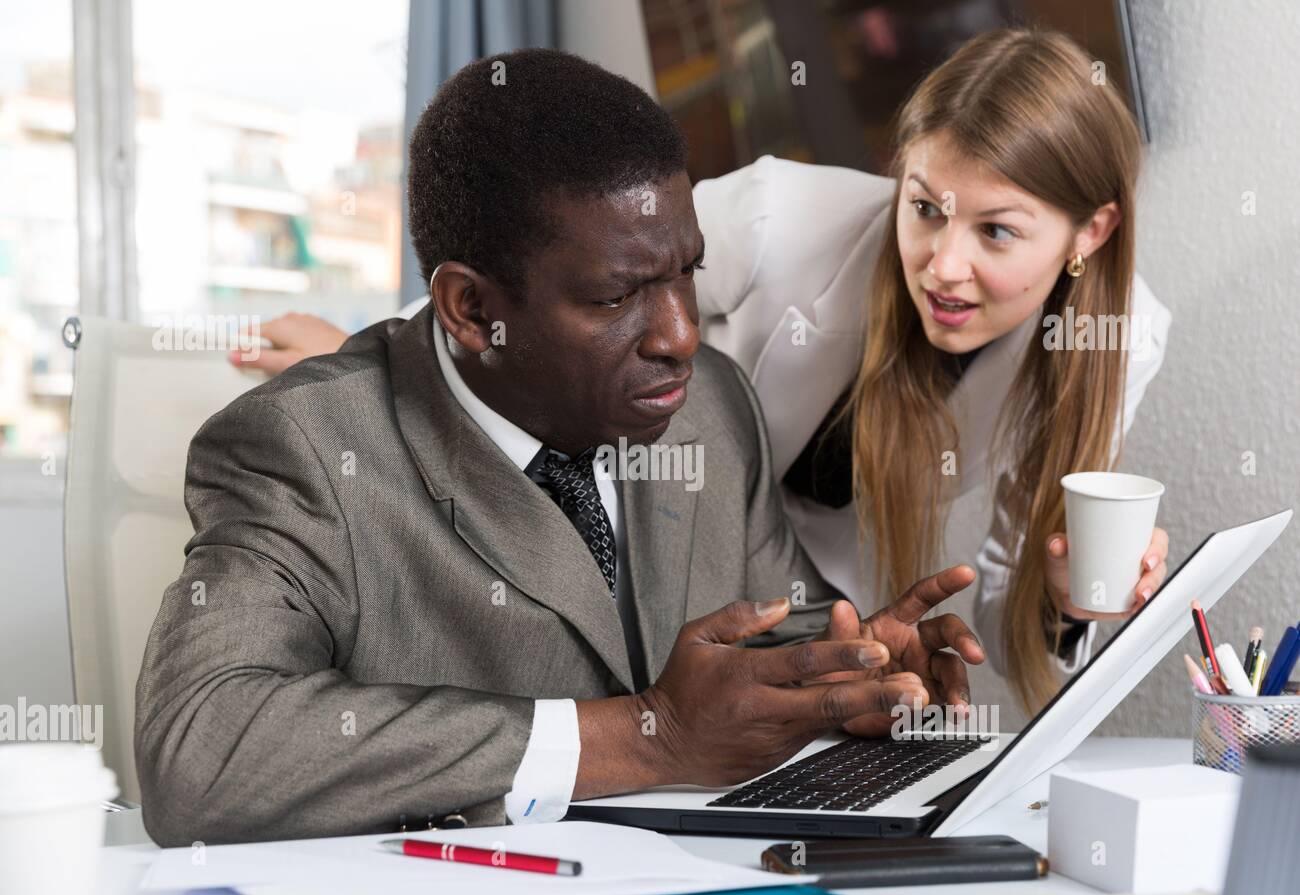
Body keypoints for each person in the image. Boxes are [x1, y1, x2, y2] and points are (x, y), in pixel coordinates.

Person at [139, 49, 983, 847]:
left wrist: (843, 676)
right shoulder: (307, 448)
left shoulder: (709, 410)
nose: (682, 335)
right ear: (471, 309)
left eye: (686, 272)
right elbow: (199, 754)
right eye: (619, 294)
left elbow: (763, 635)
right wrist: (644, 738)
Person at [243, 30, 1171, 718]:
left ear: (1090, 233)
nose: (942, 263)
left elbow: (1015, 597)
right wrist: (378, 354)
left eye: (997, 232)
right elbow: (573, 282)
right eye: (925, 208)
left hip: (777, 586)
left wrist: (1061, 603)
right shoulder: (781, 217)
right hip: (647, 517)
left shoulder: (1113, 348)